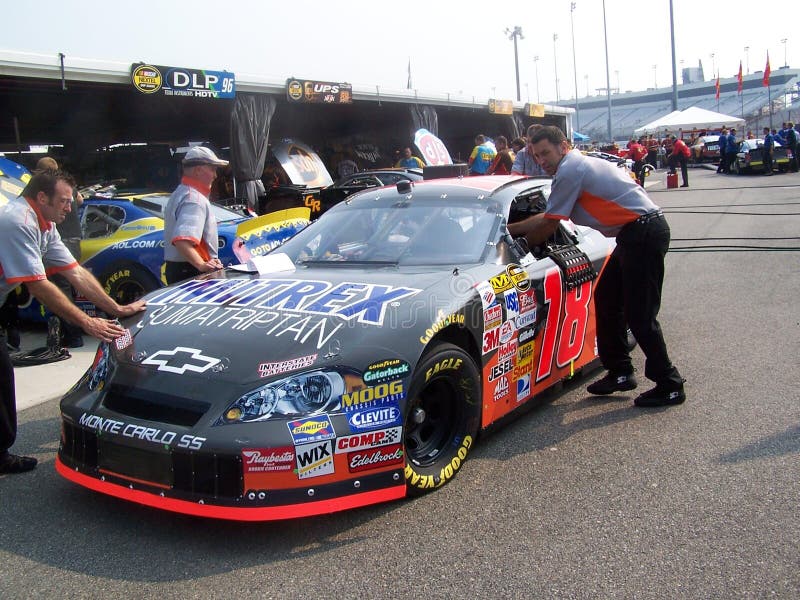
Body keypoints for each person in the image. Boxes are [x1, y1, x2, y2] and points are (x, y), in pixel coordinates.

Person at [507, 125, 685, 408]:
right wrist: (509, 228)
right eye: (537, 156)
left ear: (563, 146)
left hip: (643, 233)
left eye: (545, 153)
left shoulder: (569, 169)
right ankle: (620, 372)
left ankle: (669, 383)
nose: (542, 161)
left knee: (640, 315)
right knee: (607, 300)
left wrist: (517, 248)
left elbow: (551, 223)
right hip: (635, 233)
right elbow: (549, 215)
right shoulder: (576, 165)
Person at [0, 169, 146, 474]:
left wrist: (116, 308)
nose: (71, 207)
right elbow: (38, 286)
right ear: (42, 198)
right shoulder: (17, 221)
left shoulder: (45, 223)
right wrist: (87, 323)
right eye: (65, 201)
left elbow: (75, 273)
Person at [37, 156, 85, 348]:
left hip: (61, 242)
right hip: (76, 240)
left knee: (60, 290)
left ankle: (72, 335)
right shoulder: (68, 188)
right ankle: (69, 332)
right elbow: (80, 200)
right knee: (67, 287)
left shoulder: (49, 191)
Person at [163, 147, 227, 284]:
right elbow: (182, 240)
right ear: (198, 170)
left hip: (181, 269)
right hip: (191, 271)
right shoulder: (194, 199)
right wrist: (201, 265)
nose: (215, 175)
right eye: (212, 169)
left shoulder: (181, 193)